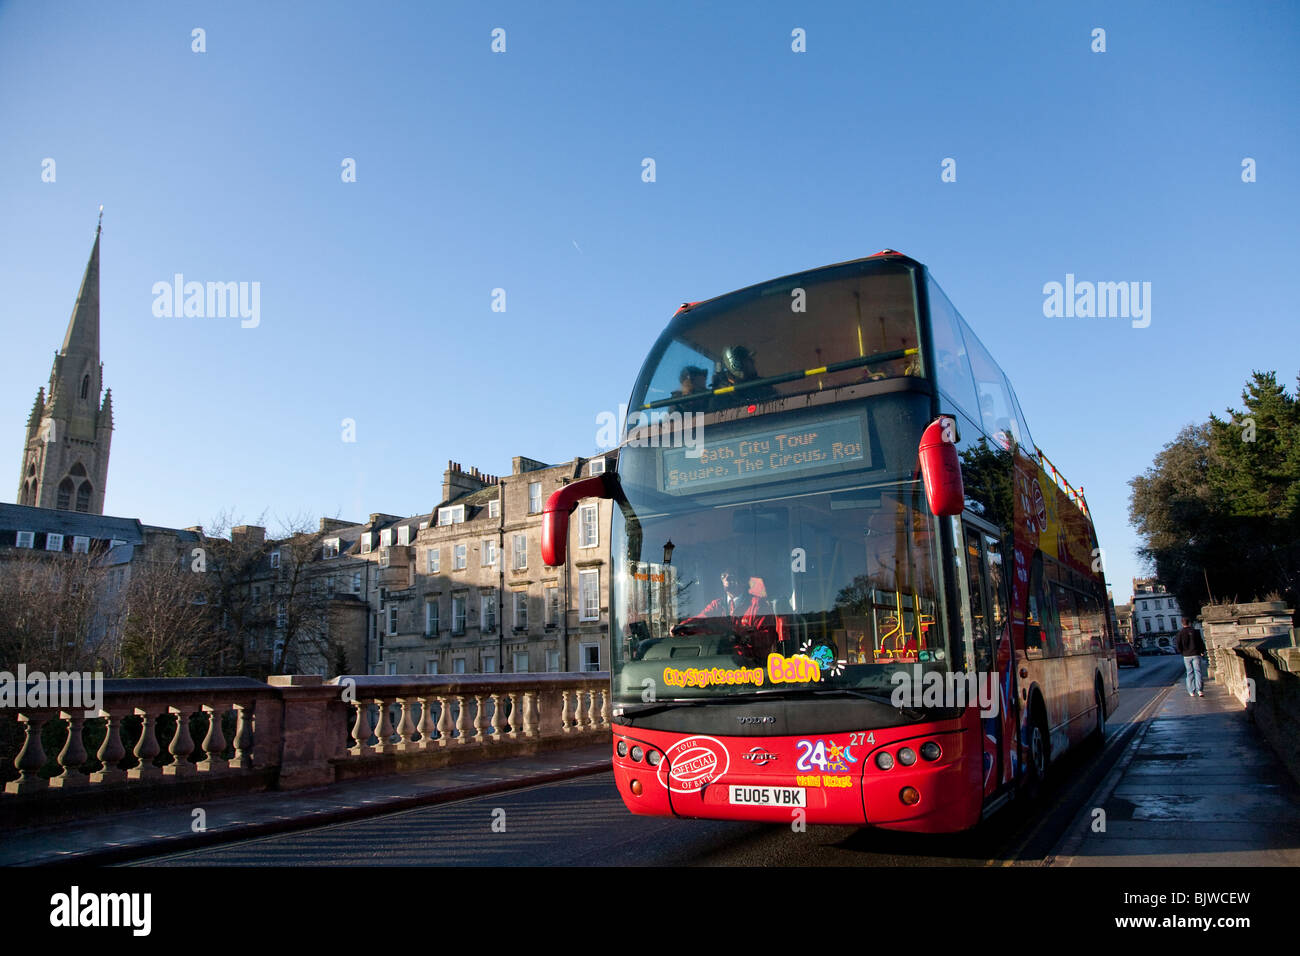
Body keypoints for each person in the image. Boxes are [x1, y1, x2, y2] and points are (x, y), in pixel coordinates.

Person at [671, 567, 781, 660]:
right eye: (723, 576)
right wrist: (682, 627)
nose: (727, 578)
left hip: (751, 668)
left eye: (732, 575)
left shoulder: (758, 605)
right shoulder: (716, 605)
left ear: (743, 581)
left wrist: (744, 637)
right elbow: (700, 620)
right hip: (721, 665)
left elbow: (768, 636)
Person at [1175, 616, 1207, 697]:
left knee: (1189, 673)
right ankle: (1200, 690)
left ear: (1182, 624)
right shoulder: (1195, 632)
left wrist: (1182, 652)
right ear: (1189, 622)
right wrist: (1202, 651)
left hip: (1186, 655)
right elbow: (1200, 642)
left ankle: (1191, 691)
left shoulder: (1180, 633)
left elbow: (1178, 645)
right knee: (1198, 671)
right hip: (1196, 653)